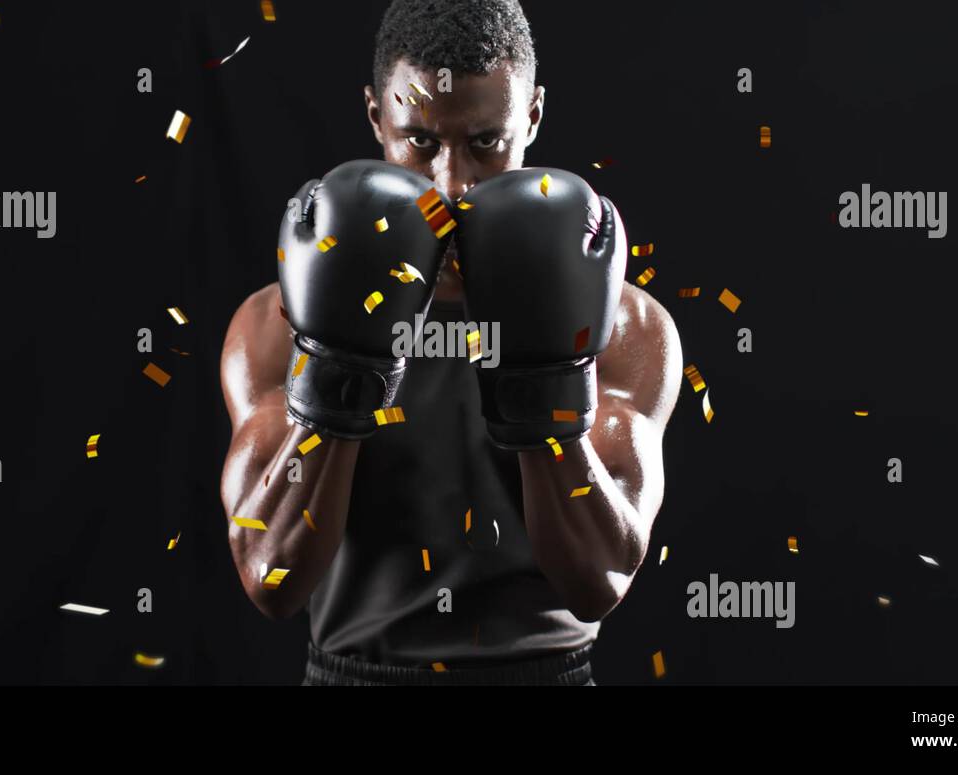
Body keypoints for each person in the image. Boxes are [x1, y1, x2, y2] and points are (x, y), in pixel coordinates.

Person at [219, 0, 682, 686]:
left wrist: (546, 375)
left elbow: (599, 581)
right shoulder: (278, 320)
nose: (452, 185)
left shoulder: (621, 326)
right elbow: (270, 580)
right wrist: (339, 368)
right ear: (377, 117)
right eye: (422, 142)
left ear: (532, 115)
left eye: (485, 143)